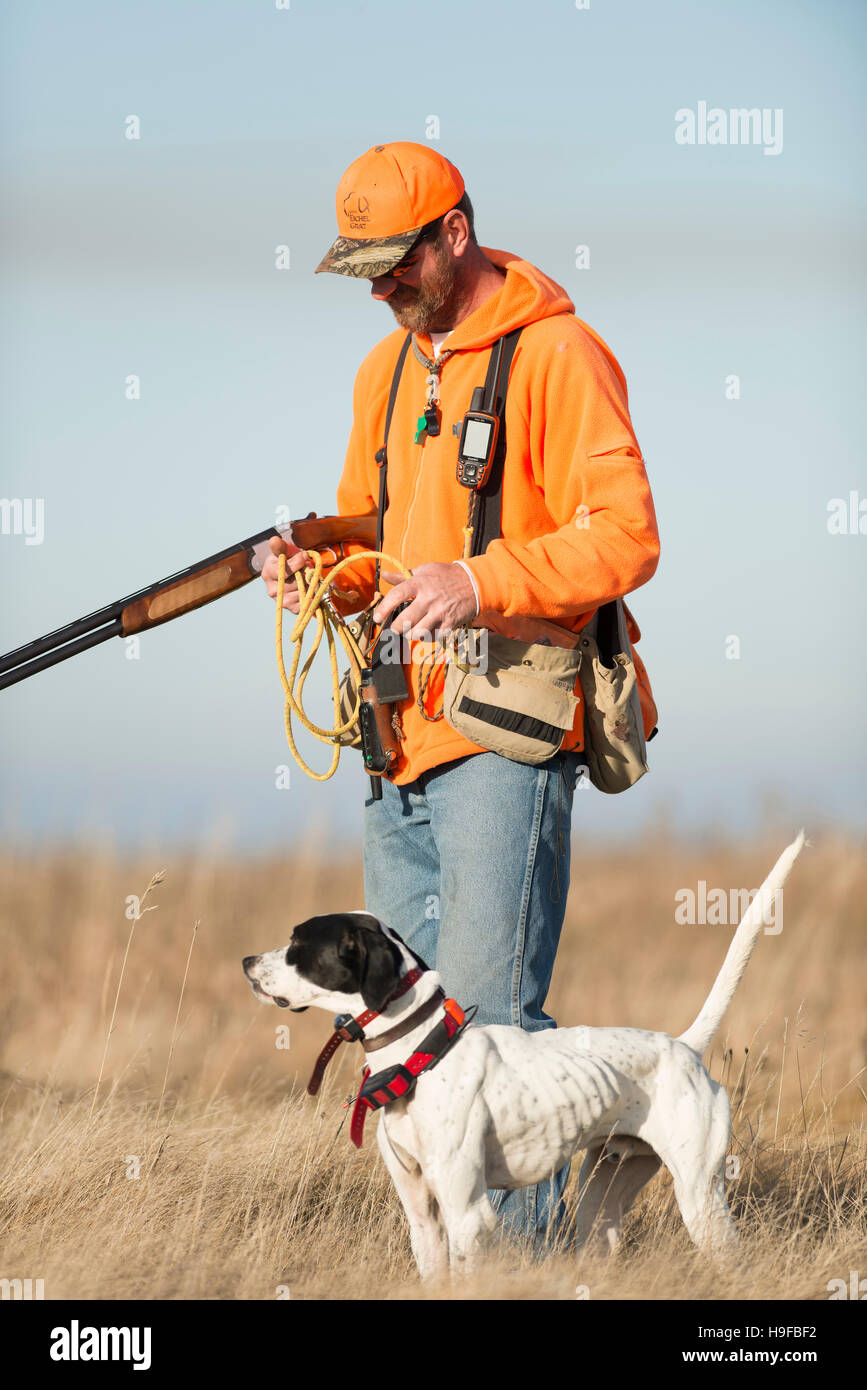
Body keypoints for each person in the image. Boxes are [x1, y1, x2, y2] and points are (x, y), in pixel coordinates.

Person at [263, 141, 659, 1248]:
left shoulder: (560, 352)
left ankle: (527, 1272)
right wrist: (319, 576)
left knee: (489, 1021)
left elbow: (628, 536)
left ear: (454, 234)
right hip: (398, 736)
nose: (382, 290)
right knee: (408, 1031)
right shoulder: (381, 373)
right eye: (364, 273)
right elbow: (377, 545)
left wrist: (478, 582)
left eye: (395, 265)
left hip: (508, 727)